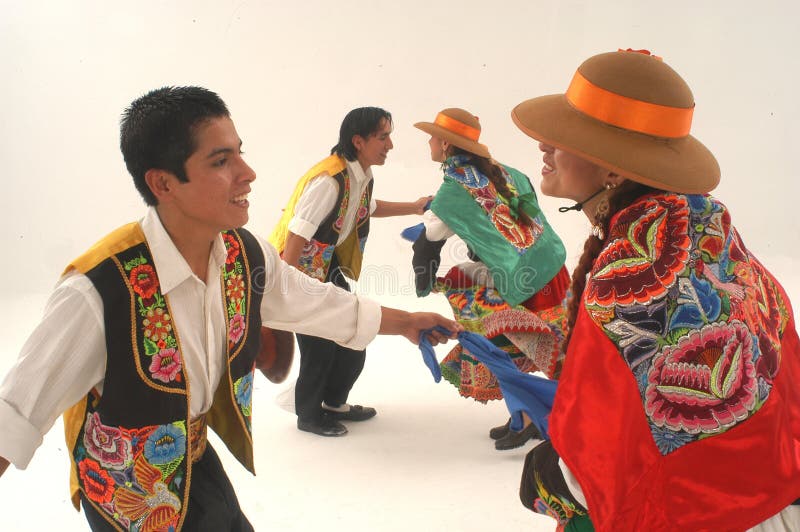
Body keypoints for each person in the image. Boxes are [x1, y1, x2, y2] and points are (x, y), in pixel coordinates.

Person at [0, 86, 460, 531]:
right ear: (163, 183)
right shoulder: (96, 291)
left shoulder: (246, 255)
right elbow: (14, 417)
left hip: (196, 463)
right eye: (221, 161)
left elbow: (320, 303)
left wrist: (407, 323)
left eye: (240, 152)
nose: (248, 173)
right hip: (127, 501)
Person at [510, 49, 800, 531]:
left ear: (613, 169)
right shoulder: (707, 233)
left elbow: (604, 451)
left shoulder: (633, 278)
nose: (544, 145)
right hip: (771, 495)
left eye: (562, 138)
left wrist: (557, 472)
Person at [411, 108, 569, 450]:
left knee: (525, 352)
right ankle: (524, 415)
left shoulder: (453, 193)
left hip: (521, 283)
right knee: (522, 350)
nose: (429, 141)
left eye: (434, 136)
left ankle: (574, 417)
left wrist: (422, 284)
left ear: (447, 146)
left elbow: (427, 245)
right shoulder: (505, 171)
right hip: (551, 267)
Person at [270, 107, 430, 437]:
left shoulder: (359, 176)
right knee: (320, 344)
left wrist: (413, 207)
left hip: (326, 267)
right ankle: (309, 415)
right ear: (359, 141)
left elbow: (369, 208)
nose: (390, 145)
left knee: (355, 334)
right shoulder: (329, 181)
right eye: (383, 137)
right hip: (300, 271)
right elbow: (298, 231)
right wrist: (289, 284)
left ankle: (333, 403)